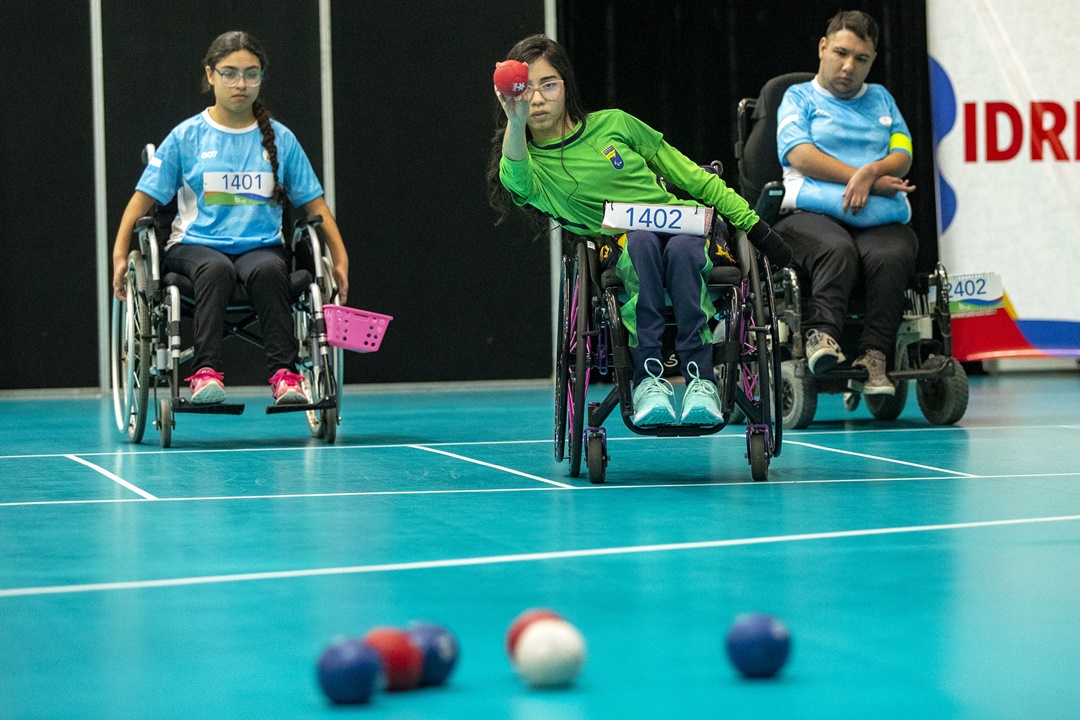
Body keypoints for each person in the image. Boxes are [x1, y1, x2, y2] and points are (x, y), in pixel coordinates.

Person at [488, 35, 791, 427]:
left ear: (566, 86)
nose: (539, 98)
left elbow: (690, 176)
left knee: (681, 250)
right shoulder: (532, 167)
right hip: (625, 246)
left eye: (549, 84)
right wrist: (515, 122)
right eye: (527, 89)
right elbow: (515, 178)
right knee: (642, 241)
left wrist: (754, 226)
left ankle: (701, 380)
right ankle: (649, 376)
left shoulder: (614, 123)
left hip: (686, 231)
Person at [111, 31, 349, 406]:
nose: (242, 83)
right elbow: (140, 202)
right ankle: (205, 373)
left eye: (252, 74)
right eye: (230, 73)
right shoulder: (185, 136)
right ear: (211, 75)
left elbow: (315, 206)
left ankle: (286, 377)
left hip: (260, 249)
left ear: (261, 78)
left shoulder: (281, 140)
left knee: (272, 271)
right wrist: (120, 255)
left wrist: (340, 259)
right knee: (216, 269)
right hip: (194, 248)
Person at [774, 10, 918, 395]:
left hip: (877, 218)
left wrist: (870, 173)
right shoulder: (797, 97)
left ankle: (874, 357)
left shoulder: (882, 99)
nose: (849, 66)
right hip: (810, 212)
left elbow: (902, 153)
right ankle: (822, 338)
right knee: (836, 248)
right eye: (841, 53)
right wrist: (857, 176)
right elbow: (799, 154)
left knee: (893, 254)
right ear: (823, 48)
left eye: (862, 59)